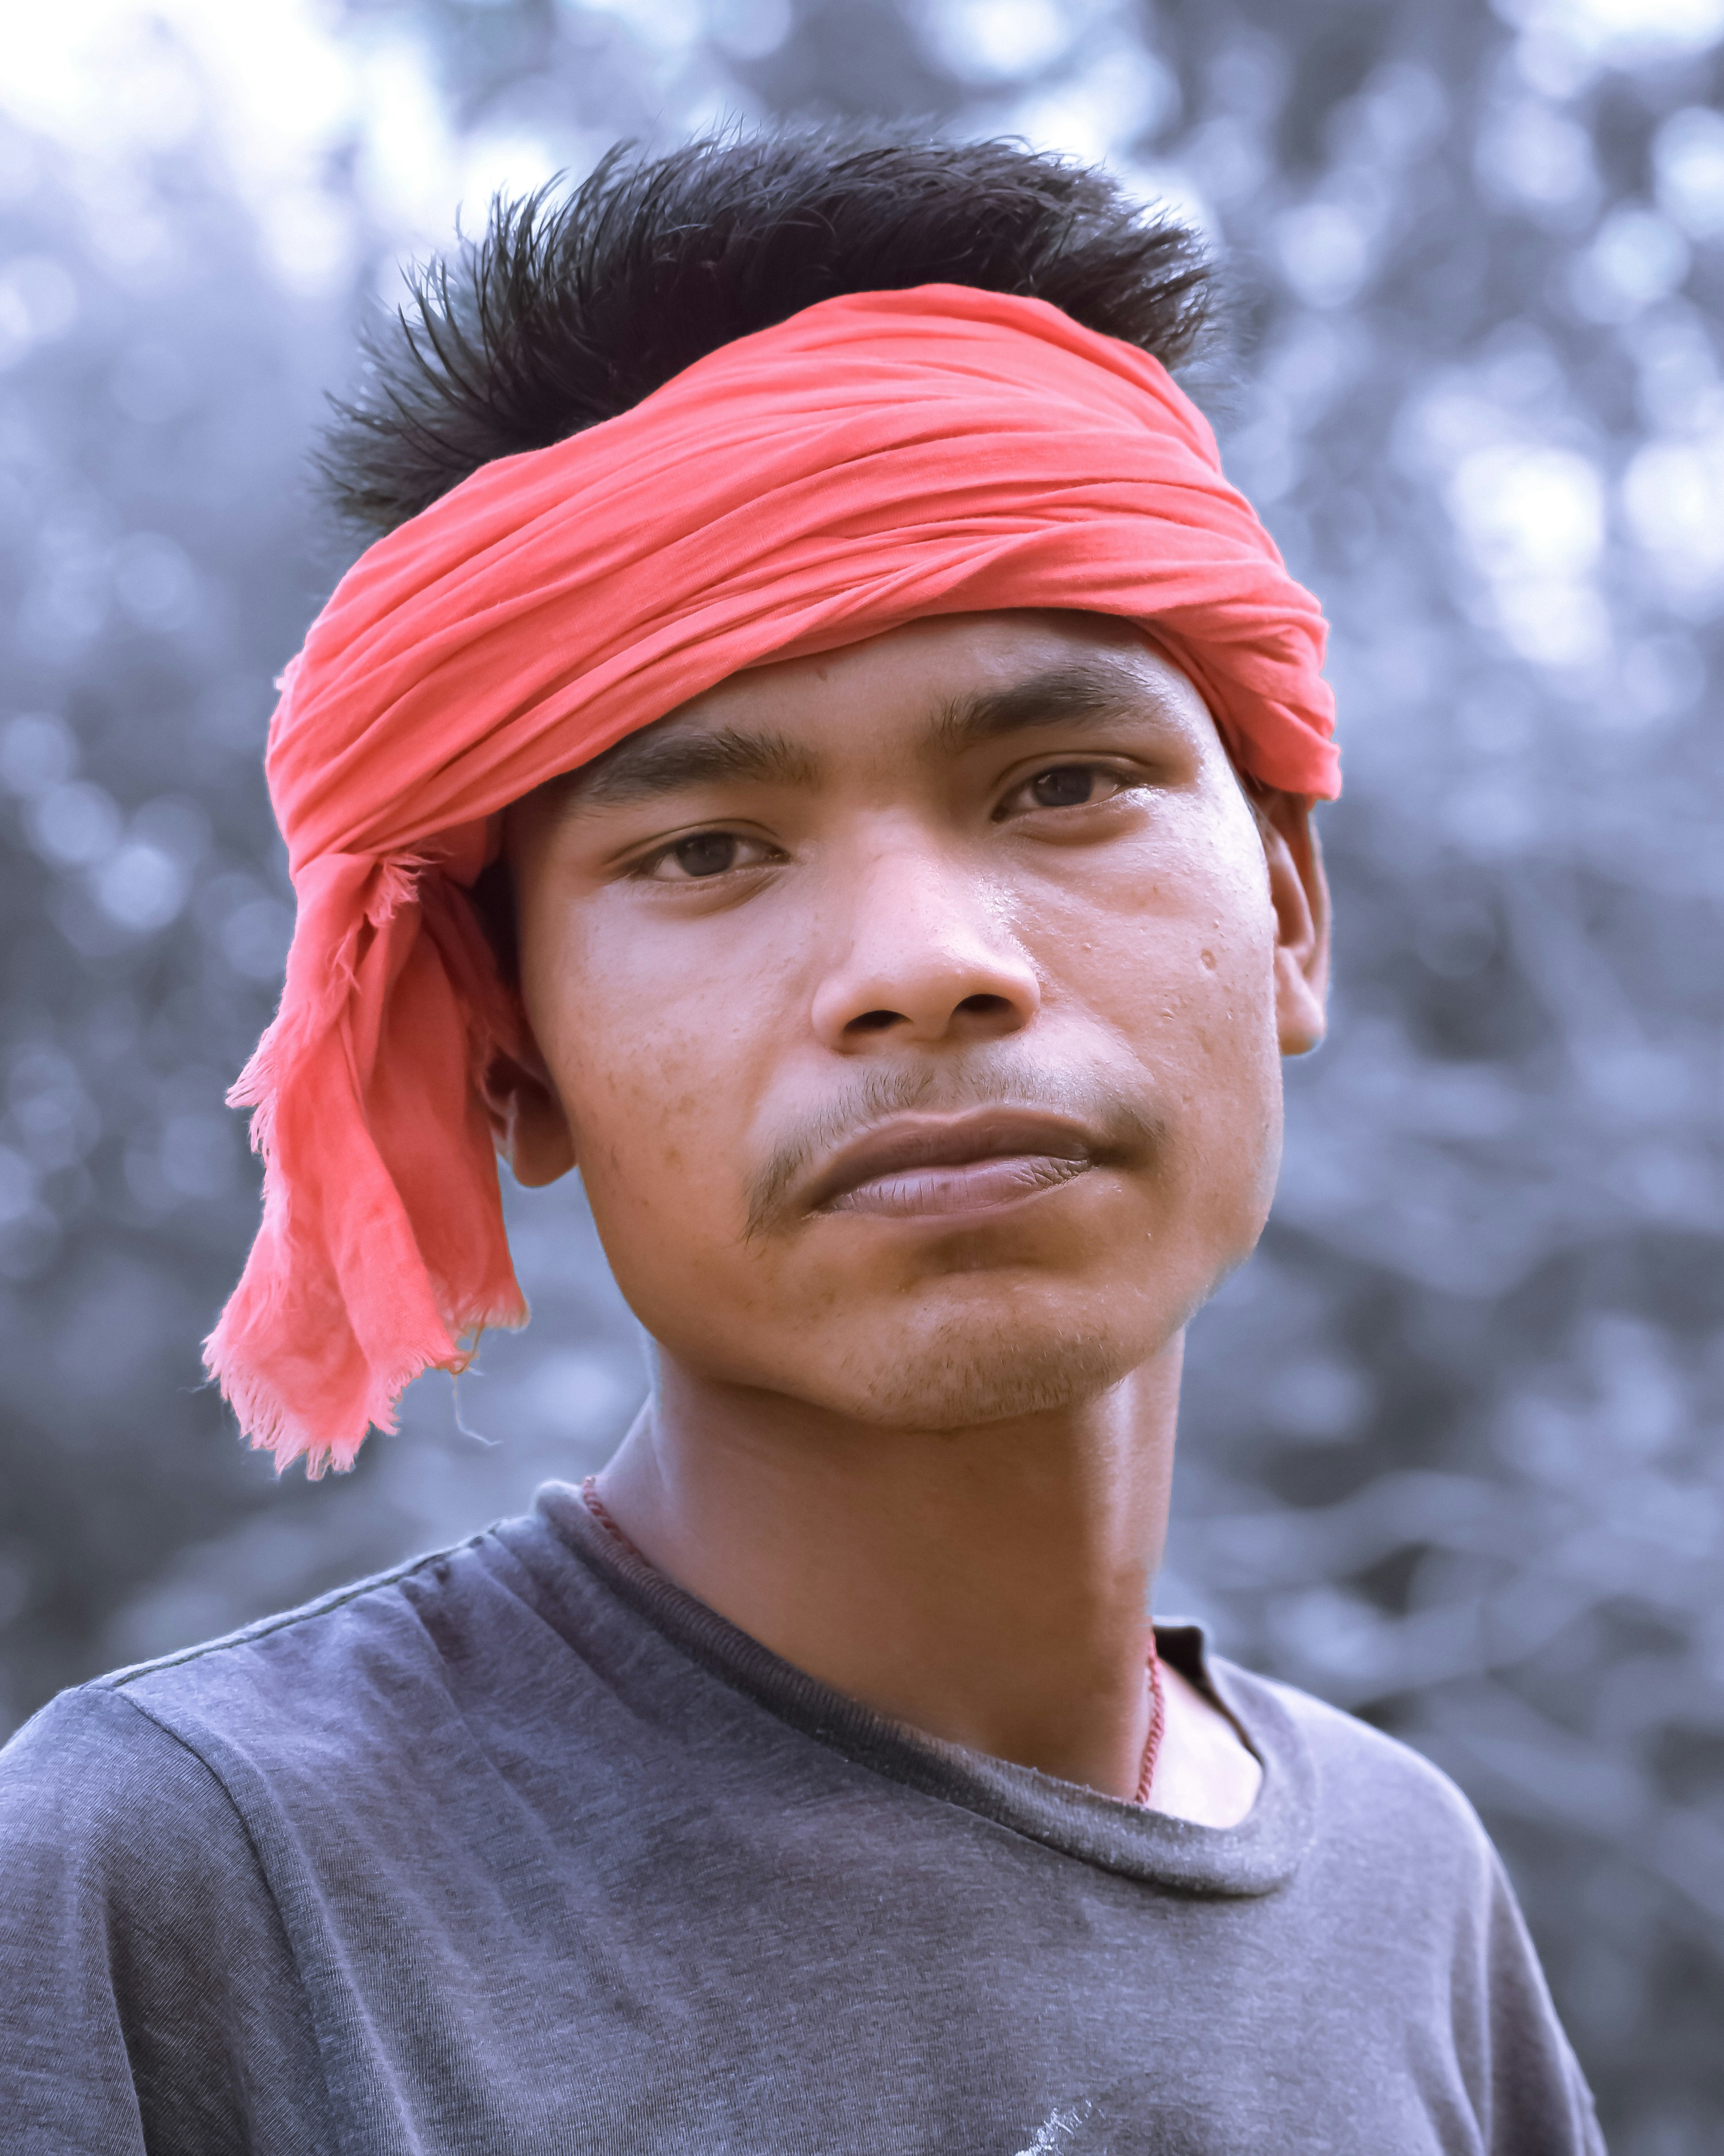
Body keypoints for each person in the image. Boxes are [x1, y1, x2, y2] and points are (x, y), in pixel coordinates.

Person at [0, 128, 1603, 2154]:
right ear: (512, 1053)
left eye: (1065, 782)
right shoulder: (200, 1883)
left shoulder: (1409, 1890)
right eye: (710, 848)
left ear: (1285, 909)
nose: (927, 967)